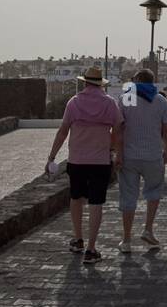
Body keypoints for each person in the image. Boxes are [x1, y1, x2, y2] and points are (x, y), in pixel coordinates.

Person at [46, 66, 121, 264]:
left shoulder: (74, 102)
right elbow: (118, 129)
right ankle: (91, 248)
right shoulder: (110, 103)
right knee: (96, 203)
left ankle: (78, 238)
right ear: (100, 83)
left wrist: (51, 156)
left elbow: (63, 131)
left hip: (77, 159)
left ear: (85, 82)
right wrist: (113, 150)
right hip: (99, 161)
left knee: (76, 197)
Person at [116, 68, 167, 253]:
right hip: (153, 155)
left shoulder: (126, 99)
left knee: (128, 197)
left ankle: (126, 240)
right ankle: (148, 229)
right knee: (153, 192)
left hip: (129, 156)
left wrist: (118, 153)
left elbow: (118, 129)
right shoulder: (161, 100)